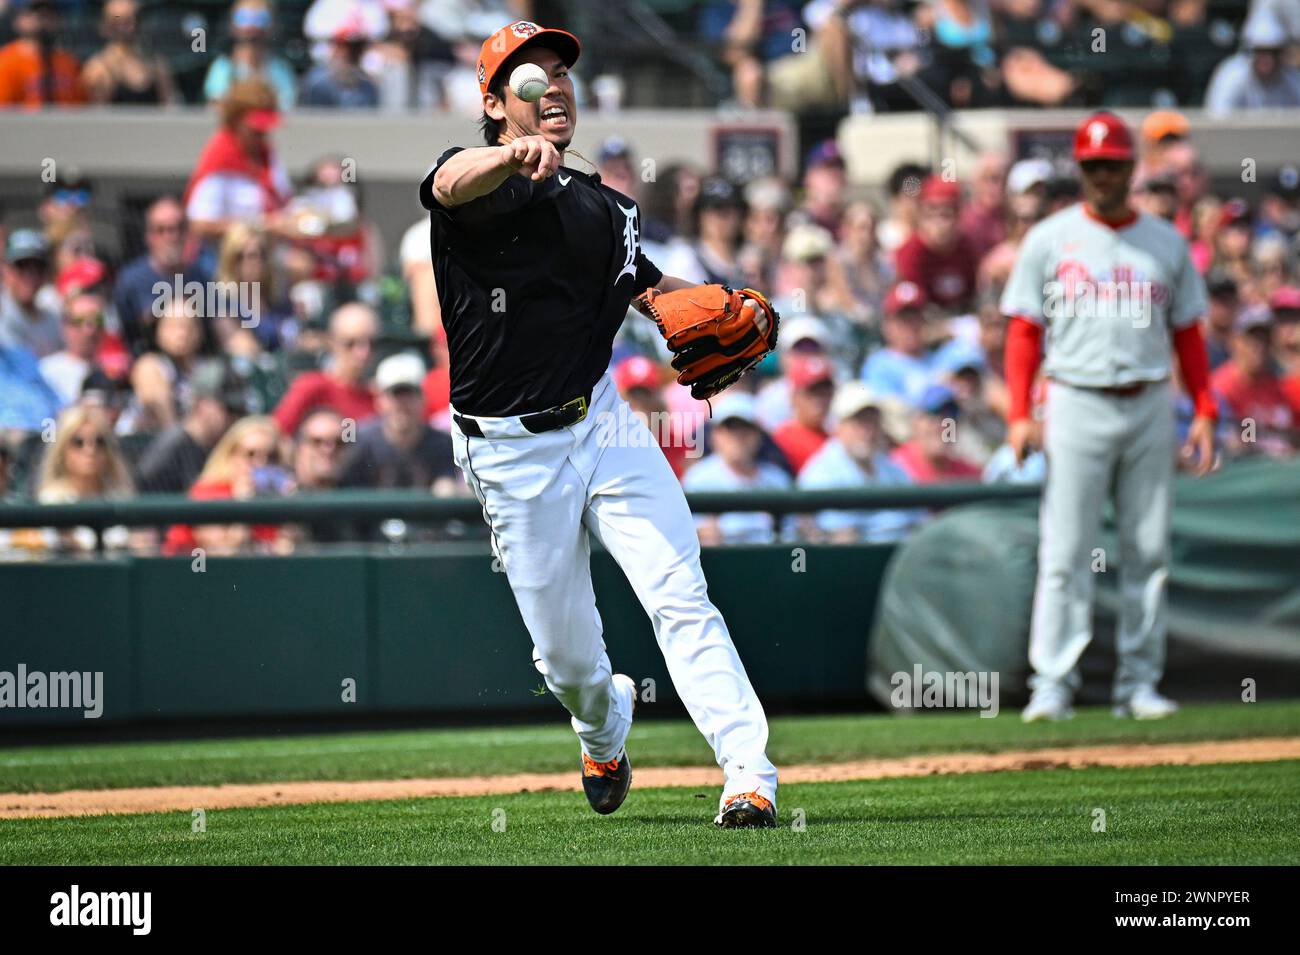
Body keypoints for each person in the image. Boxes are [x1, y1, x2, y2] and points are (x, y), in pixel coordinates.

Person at [421, 19, 779, 828]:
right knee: (569, 662)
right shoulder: (473, 184)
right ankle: (602, 727)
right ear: (494, 101)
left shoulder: (605, 207)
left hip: (606, 426)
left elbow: (650, 289)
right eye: (529, 77)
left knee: (681, 594)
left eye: (562, 73)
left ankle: (749, 774)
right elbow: (449, 185)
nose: (553, 87)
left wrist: (726, 304)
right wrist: (508, 157)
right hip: (511, 452)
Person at [1001, 112, 1219, 723]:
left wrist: (1203, 406)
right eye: (1093, 165)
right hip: (1074, 397)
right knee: (1066, 549)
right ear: (1081, 168)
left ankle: (1139, 682)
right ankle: (1053, 682)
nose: (1103, 174)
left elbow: (1189, 332)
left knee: (1147, 548)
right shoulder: (1050, 237)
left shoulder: (1166, 240)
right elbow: (1022, 331)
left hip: (1150, 398)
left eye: (1114, 164)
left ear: (1131, 167)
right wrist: (1019, 412)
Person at [797, 381, 921, 542]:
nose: (867, 430)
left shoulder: (892, 468)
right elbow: (842, 539)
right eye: (859, 422)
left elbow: (918, 523)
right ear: (838, 426)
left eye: (873, 421)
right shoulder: (821, 473)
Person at [184, 79, 293, 248]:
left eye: (265, 130)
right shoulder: (219, 157)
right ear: (235, 122)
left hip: (268, 251)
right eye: (256, 131)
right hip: (226, 256)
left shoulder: (266, 153)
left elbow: (284, 201)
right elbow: (200, 224)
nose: (262, 136)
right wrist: (261, 226)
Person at [162, 415, 288, 557]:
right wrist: (243, 506)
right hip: (192, 572)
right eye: (250, 454)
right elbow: (223, 555)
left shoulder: (275, 499)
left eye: (271, 456)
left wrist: (291, 514)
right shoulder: (208, 491)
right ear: (231, 456)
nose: (261, 464)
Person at [337, 352, 458, 491]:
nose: (402, 405)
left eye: (409, 395)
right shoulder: (359, 440)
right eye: (395, 395)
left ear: (422, 399)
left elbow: (446, 488)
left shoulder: (442, 443)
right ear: (379, 400)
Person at [683, 392, 792, 544]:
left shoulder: (777, 479)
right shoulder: (697, 479)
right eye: (730, 428)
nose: (738, 437)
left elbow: (792, 534)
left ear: (758, 434)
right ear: (715, 435)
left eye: (746, 428)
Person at [112, 197, 210, 356]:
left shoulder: (201, 277)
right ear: (148, 236)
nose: (172, 236)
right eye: (161, 230)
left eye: (179, 228)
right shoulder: (130, 281)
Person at [135, 360, 247, 494]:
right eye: (228, 409)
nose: (234, 418)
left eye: (238, 411)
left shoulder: (215, 446)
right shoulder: (170, 451)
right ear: (201, 404)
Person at [34, 404, 136, 552]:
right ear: (63, 450)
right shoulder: (51, 500)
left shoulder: (121, 498)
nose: (90, 450)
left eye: (99, 442)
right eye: (78, 442)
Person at [272, 302, 378, 436]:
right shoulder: (312, 387)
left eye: (372, 344)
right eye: (351, 343)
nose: (363, 353)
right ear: (333, 343)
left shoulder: (380, 398)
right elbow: (276, 433)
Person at [1210, 307, 1300, 457]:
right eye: (1252, 339)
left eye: (1265, 339)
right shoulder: (1221, 388)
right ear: (1235, 341)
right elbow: (1232, 444)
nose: (1260, 347)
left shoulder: (1279, 387)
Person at [894, 176, 978, 313]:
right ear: (921, 215)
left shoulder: (967, 249)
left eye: (946, 214)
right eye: (932, 214)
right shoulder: (910, 253)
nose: (939, 223)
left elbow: (973, 294)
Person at [203, 0, 298, 110]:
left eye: (261, 19)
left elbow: (286, 107)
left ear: (273, 25)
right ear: (233, 25)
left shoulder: (281, 69)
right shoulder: (222, 67)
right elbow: (216, 107)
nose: (252, 27)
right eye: (243, 18)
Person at [80, 0, 176, 105]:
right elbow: (95, 117)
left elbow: (170, 108)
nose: (123, 27)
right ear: (105, 25)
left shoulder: (157, 66)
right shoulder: (97, 70)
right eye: (116, 21)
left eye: (129, 20)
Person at [1204, 10, 1300, 115]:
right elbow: (1217, 119)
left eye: (1272, 52)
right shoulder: (1231, 75)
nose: (1266, 58)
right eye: (1259, 51)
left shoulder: (1292, 79)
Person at [860, 281, 935, 406]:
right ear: (887, 325)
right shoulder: (878, 366)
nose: (912, 325)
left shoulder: (942, 358)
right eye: (904, 319)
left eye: (916, 316)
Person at [0, 0, 86, 107]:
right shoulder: (5, 62)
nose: (43, 16)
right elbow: (5, 115)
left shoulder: (70, 63)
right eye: (35, 11)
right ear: (18, 20)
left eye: (50, 11)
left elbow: (82, 109)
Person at [889, 384, 982, 483]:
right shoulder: (895, 468)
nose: (942, 424)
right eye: (934, 414)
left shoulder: (970, 475)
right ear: (915, 423)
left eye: (951, 415)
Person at [40, 287, 107, 406]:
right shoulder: (47, 372)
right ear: (65, 326)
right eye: (80, 321)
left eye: (97, 320)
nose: (90, 330)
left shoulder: (111, 371)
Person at [0, 230, 60, 359]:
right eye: (21, 266)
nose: (31, 275)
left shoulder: (53, 316)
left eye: (38, 267)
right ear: (5, 269)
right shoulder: (3, 313)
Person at [771, 352, 834, 474]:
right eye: (812, 392)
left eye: (825, 392)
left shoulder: (835, 438)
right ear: (794, 397)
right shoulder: (782, 441)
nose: (820, 399)